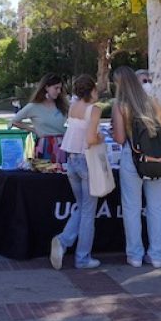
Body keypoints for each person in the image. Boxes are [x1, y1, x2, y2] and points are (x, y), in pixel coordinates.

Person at [112, 66, 161, 268]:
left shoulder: (120, 105)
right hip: (157, 157)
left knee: (131, 208)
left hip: (133, 157)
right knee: (157, 206)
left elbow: (120, 138)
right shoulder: (153, 101)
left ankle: (135, 255)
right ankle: (156, 255)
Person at [49, 74, 103, 270]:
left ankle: (63, 241)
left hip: (71, 160)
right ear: (91, 90)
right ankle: (82, 257)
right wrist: (101, 138)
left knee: (82, 207)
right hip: (86, 160)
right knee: (88, 211)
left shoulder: (73, 107)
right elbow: (90, 139)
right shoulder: (94, 110)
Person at [10, 73, 68, 164]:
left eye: (60, 88)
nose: (59, 91)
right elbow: (14, 121)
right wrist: (33, 129)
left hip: (64, 146)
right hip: (45, 147)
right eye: (56, 88)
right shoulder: (33, 106)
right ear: (46, 87)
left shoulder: (63, 105)